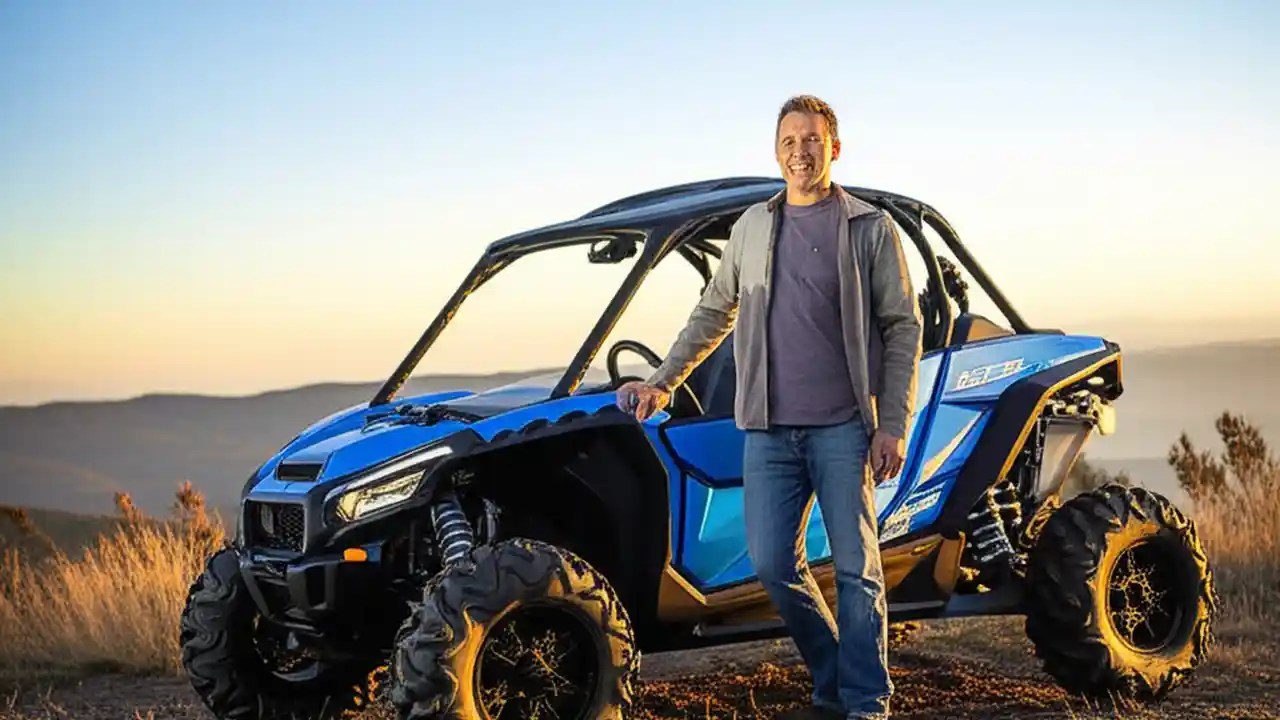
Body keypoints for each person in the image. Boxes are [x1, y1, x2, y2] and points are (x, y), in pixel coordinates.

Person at [616, 94, 922, 720]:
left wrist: (893, 422)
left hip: (843, 428)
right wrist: (664, 380)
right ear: (775, 150)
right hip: (770, 432)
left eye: (812, 140)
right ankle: (838, 676)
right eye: (788, 141)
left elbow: (903, 327)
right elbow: (713, 311)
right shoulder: (754, 227)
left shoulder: (869, 228)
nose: (799, 151)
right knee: (773, 563)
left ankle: (866, 703)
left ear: (835, 148)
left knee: (858, 570)